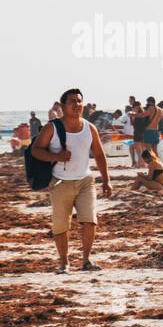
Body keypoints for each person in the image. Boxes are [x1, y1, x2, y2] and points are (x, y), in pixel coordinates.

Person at [31, 88, 113, 273]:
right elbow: (36, 150)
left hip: (85, 180)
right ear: (63, 106)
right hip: (60, 182)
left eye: (79, 101)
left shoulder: (89, 128)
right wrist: (58, 156)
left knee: (89, 220)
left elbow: (99, 154)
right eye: (72, 101)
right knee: (61, 224)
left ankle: (86, 260)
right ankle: (63, 263)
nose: (77, 105)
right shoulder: (52, 127)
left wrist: (106, 180)